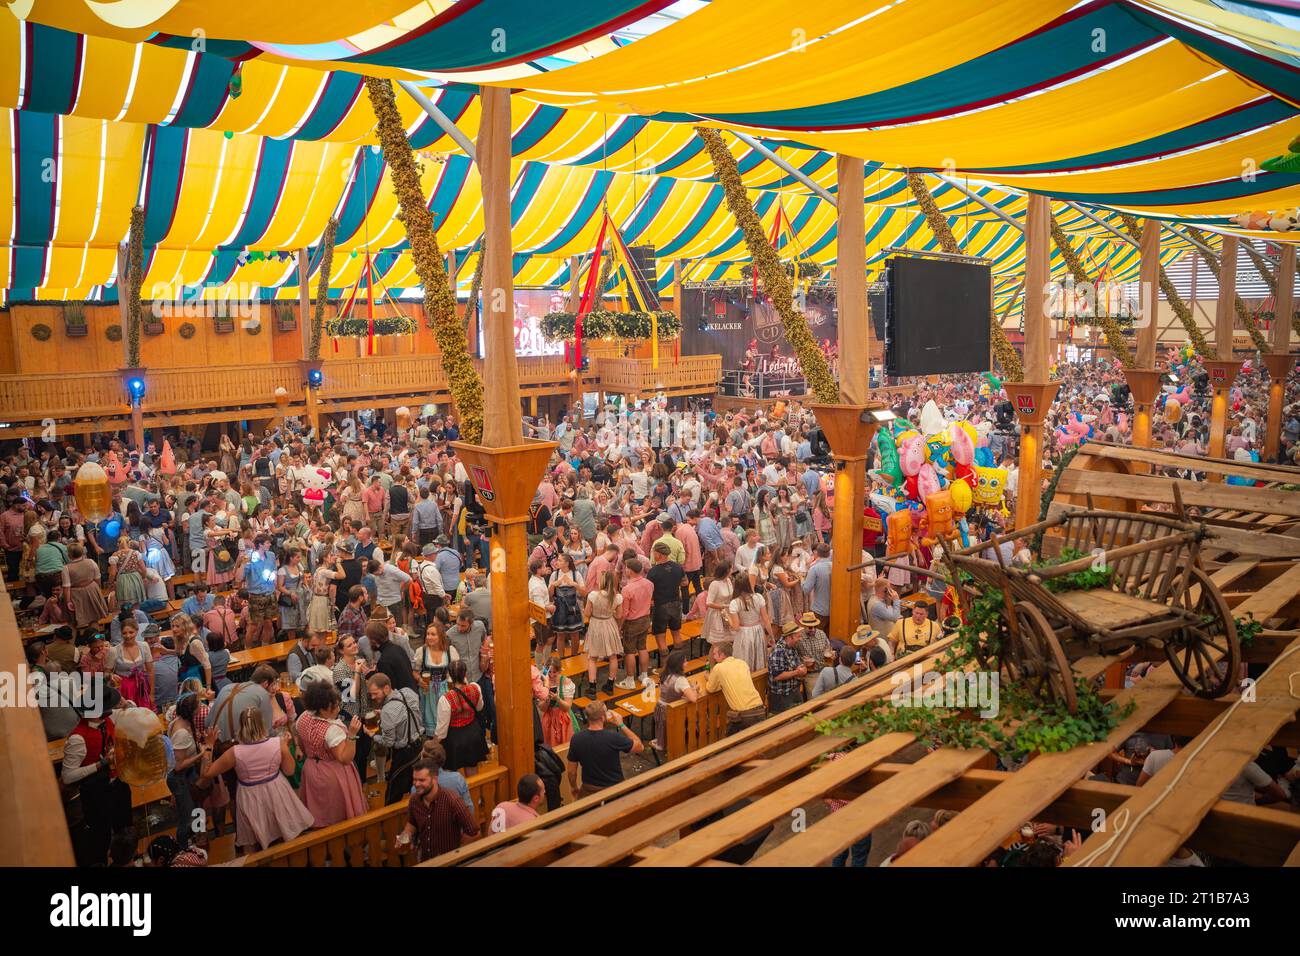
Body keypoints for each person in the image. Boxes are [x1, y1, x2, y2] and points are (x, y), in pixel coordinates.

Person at [197, 705, 314, 853]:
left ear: (241, 726)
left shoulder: (235, 752)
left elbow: (206, 773)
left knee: (252, 842)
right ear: (263, 724)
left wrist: (209, 745)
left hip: (250, 796)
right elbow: (290, 771)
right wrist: (285, 748)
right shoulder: (278, 743)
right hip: (277, 791)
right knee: (283, 832)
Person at [62, 686, 134, 866]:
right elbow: (68, 777)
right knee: (100, 835)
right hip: (96, 792)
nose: (111, 708)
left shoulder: (108, 719)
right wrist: (100, 764)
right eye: (108, 706)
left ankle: (124, 860)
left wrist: (126, 703)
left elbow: (133, 712)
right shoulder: (77, 739)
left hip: (117, 784)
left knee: (124, 828)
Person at [296, 680, 368, 828]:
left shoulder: (303, 717)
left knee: (318, 810)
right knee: (336, 814)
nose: (338, 708)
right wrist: (352, 734)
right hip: (333, 774)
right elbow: (345, 758)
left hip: (310, 768)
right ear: (322, 710)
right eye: (334, 706)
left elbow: (303, 745)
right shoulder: (332, 730)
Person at [397, 759, 478, 863]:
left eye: (421, 780)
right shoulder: (414, 800)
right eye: (414, 780)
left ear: (434, 779)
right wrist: (405, 835)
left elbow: (474, 833)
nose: (416, 784)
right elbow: (412, 823)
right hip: (425, 861)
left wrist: (456, 855)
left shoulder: (452, 800)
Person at [367, 671, 425, 805]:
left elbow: (388, 742)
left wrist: (373, 735)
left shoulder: (388, 710)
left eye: (375, 693)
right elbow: (405, 712)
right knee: (418, 785)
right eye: (371, 694)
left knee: (393, 794)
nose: (373, 697)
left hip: (404, 755)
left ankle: (389, 824)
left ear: (386, 688)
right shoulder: (408, 692)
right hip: (420, 746)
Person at [566, 700, 642, 798]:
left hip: (589, 791)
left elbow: (571, 772)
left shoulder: (576, 739)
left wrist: (574, 787)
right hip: (614, 791)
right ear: (602, 717)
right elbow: (640, 747)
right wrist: (621, 725)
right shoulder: (613, 737)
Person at [435, 660, 489, 773]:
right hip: (473, 734)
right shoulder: (475, 687)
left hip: (454, 739)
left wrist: (432, 745)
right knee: (473, 770)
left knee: (452, 773)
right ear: (465, 673)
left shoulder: (445, 699)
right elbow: (479, 708)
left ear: (449, 675)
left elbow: (442, 732)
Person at [705, 641, 766, 736]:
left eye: (715, 654)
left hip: (744, 715)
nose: (713, 657)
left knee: (731, 743)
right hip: (760, 708)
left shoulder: (719, 668)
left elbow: (710, 688)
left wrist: (708, 677)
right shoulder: (742, 663)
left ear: (722, 655)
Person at [584, 570, 624, 696]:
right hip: (610, 624)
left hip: (596, 624)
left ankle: (592, 687)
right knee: (612, 656)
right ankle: (610, 685)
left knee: (593, 657)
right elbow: (619, 615)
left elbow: (587, 613)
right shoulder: (617, 597)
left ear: (602, 581)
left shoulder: (593, 595)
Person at [617, 557, 654, 690]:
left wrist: (619, 626)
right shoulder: (649, 583)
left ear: (630, 570)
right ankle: (644, 675)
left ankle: (630, 679)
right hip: (645, 618)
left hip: (632, 622)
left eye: (626, 567)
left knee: (630, 651)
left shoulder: (627, 589)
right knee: (643, 647)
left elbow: (625, 612)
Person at [653, 649, 698, 754]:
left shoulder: (664, 675)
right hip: (672, 712)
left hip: (660, 709)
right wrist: (694, 689)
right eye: (685, 661)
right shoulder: (680, 680)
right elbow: (693, 698)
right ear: (679, 664)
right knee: (696, 713)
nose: (687, 663)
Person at [727, 572, 773, 673]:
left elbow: (736, 627)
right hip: (758, 631)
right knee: (758, 660)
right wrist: (771, 637)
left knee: (744, 662)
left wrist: (727, 617)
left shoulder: (735, 603)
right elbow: (766, 619)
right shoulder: (758, 597)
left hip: (744, 634)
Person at [647, 539, 685, 658]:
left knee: (661, 637)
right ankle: (679, 662)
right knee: (676, 633)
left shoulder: (653, 571)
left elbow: (649, 591)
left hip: (660, 606)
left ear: (658, 554)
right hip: (675, 603)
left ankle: (665, 667)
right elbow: (685, 582)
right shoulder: (677, 567)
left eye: (654, 552)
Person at [766, 623, 807, 714]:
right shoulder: (779, 651)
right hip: (781, 697)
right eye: (798, 637)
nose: (800, 639)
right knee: (783, 726)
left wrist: (802, 668)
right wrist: (797, 672)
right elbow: (777, 676)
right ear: (789, 637)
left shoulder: (792, 647)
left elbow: (794, 666)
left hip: (793, 691)